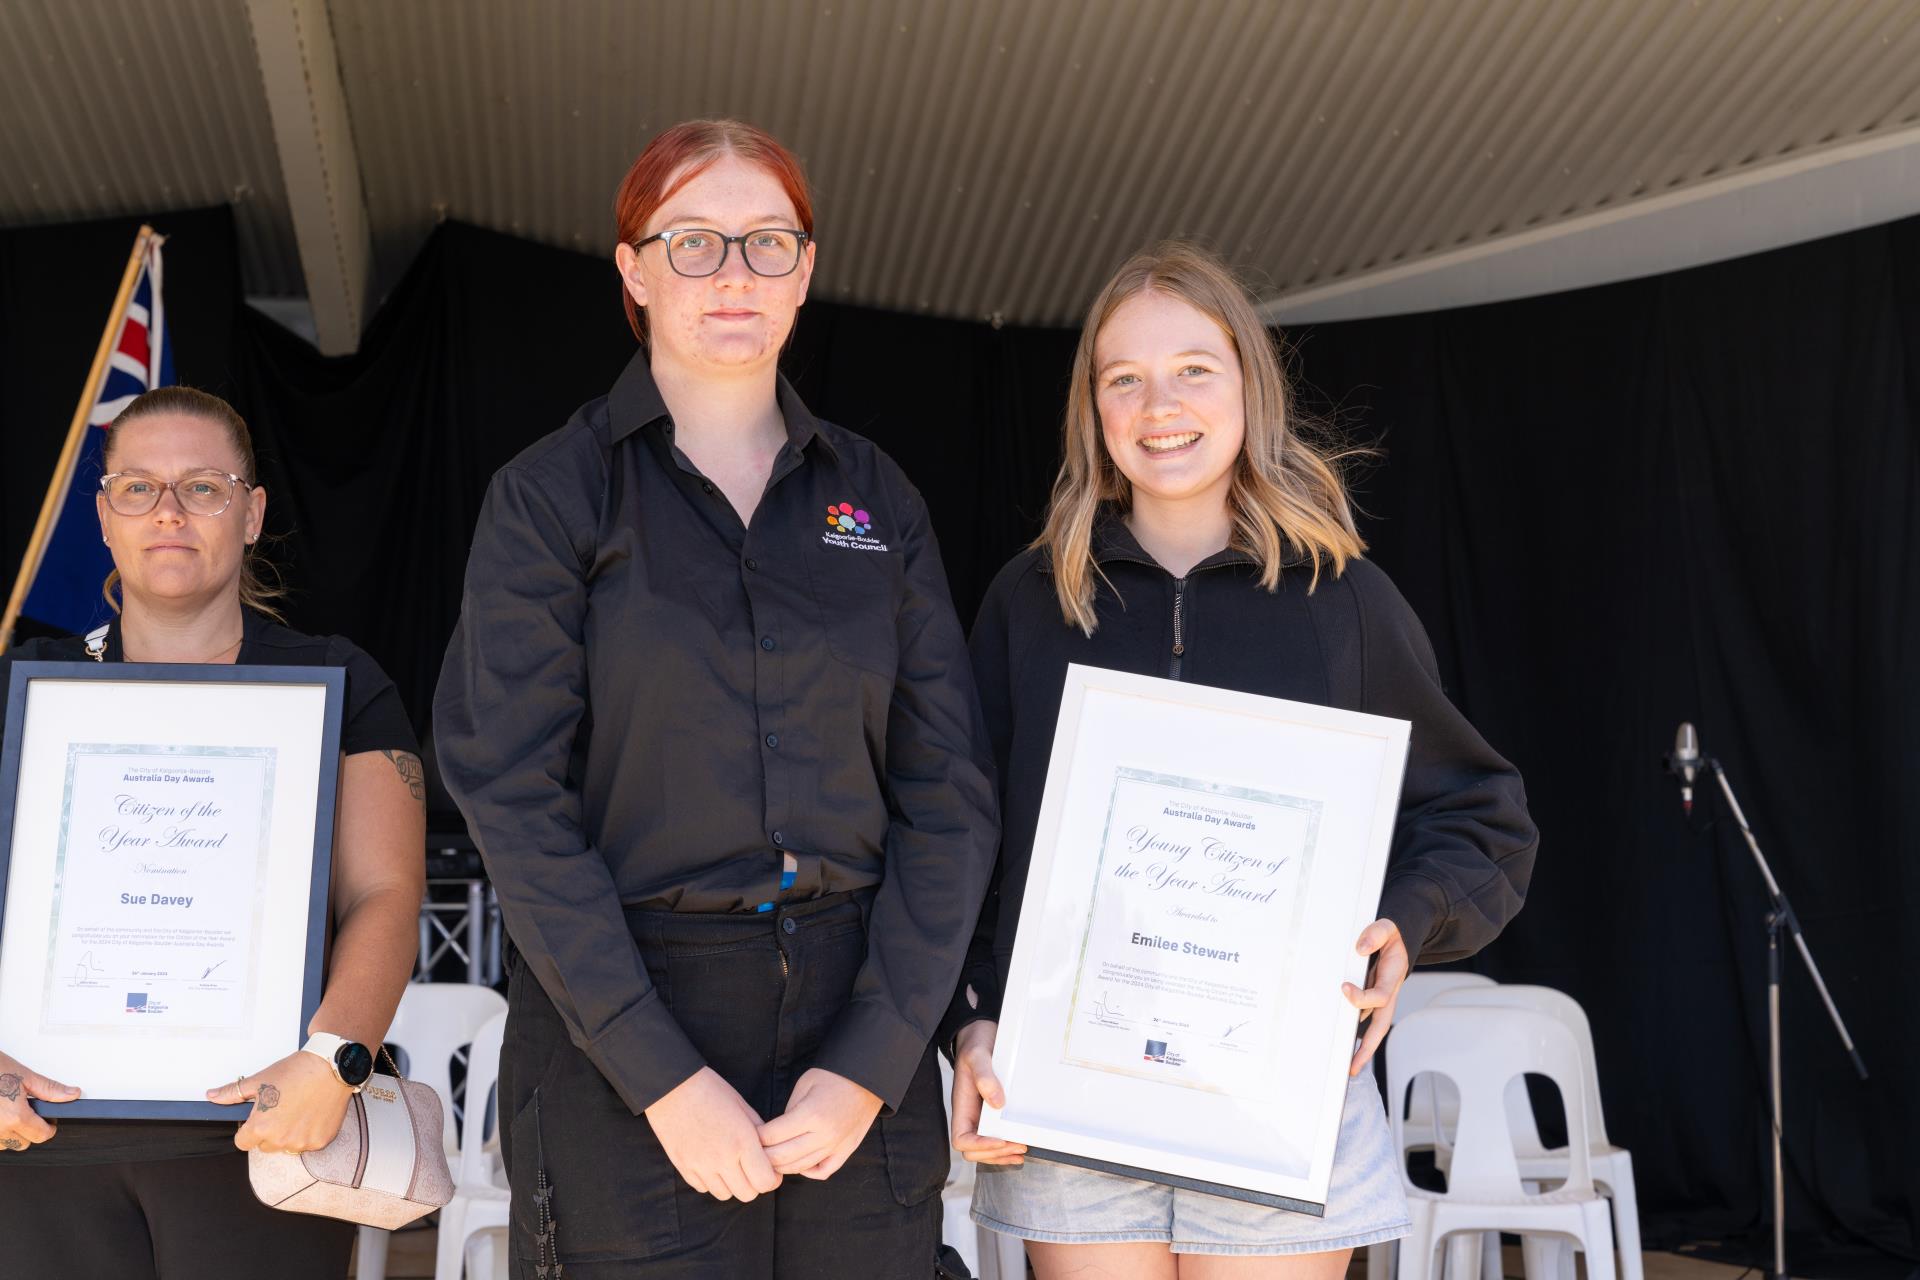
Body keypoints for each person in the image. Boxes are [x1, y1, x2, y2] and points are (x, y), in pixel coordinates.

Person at [433, 118, 998, 1278]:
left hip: (858, 1017)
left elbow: (950, 795)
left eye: (766, 242)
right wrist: (663, 1077)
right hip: (628, 1016)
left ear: (806, 270)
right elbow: (510, 791)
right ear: (633, 271)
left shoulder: (875, 497)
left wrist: (877, 1060)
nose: (733, 274)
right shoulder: (553, 496)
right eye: (693, 243)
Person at [943, 242, 1539, 1279]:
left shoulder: (1343, 601)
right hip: (1070, 1101)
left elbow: (1484, 815)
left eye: (1193, 368)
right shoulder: (1030, 606)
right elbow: (959, 834)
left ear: (1248, 384)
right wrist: (977, 1018)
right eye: (1123, 377)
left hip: (1278, 1096)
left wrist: (1404, 920)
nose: (1158, 402)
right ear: (1093, 408)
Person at [0, 386, 426, 1279]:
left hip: (266, 1139)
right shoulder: (25, 689)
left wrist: (334, 1063)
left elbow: (386, 894)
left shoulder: (336, 681)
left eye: (203, 487)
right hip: (39, 1140)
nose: (168, 511)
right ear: (104, 517)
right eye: (137, 488)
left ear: (251, 512)